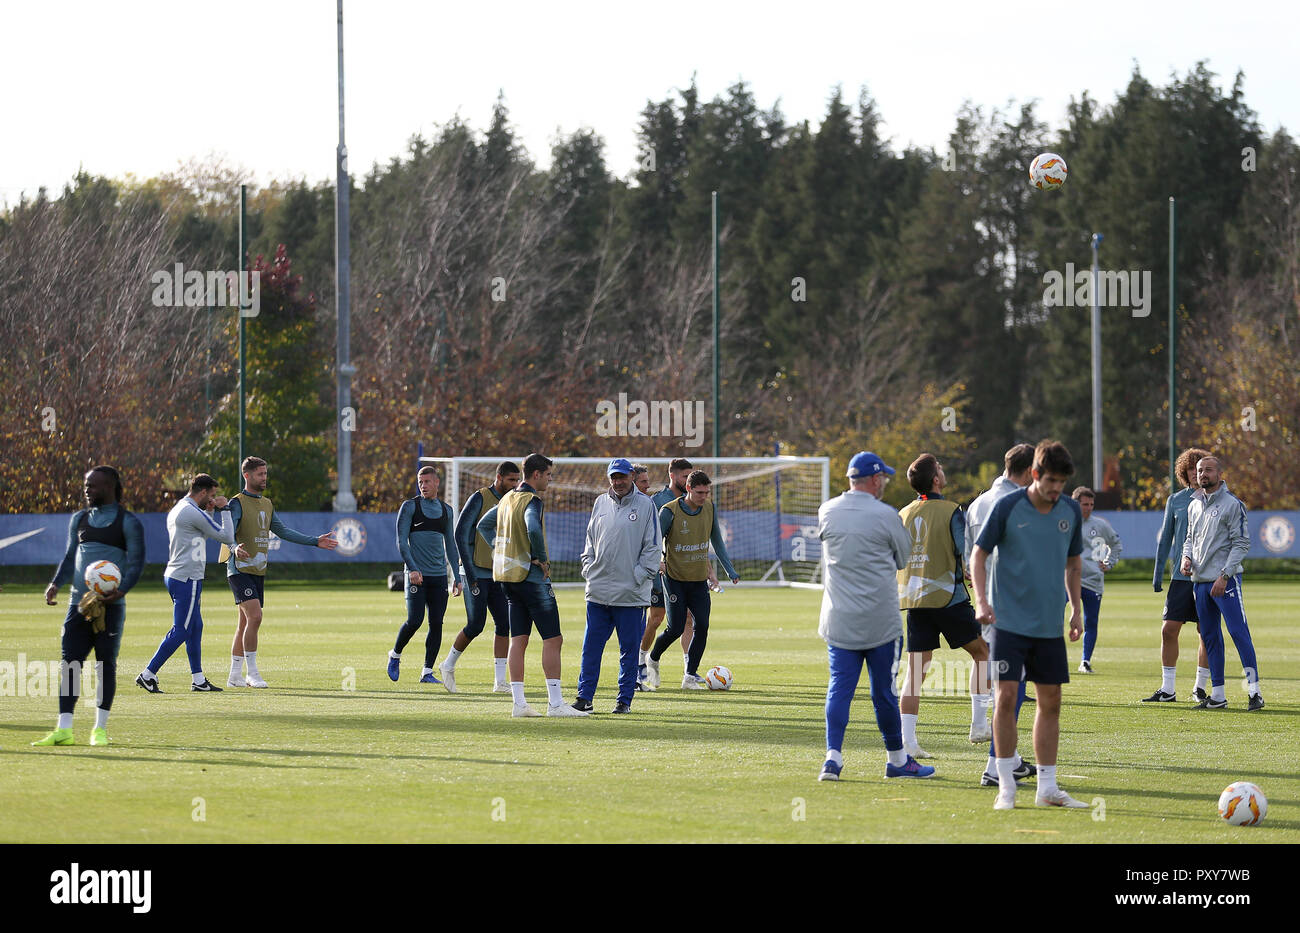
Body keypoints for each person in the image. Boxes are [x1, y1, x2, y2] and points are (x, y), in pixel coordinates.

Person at [972, 439, 1088, 809]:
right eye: (1051, 480)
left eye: (1062, 482)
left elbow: (1073, 564)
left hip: (1049, 626)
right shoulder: (1007, 506)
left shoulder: (1069, 509)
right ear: (1034, 474)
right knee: (1006, 698)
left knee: (1050, 701)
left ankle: (1047, 788)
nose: (1056, 489)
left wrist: (1076, 608)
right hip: (1007, 624)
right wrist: (982, 601)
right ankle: (1006, 784)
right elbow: (979, 555)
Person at [817, 452, 933, 781]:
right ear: (874, 479)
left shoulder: (827, 510)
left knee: (839, 687)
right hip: (880, 619)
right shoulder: (886, 515)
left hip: (839, 617)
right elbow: (902, 558)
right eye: (882, 478)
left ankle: (833, 758)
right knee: (883, 692)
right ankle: (897, 759)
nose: (884, 483)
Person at [33, 466, 145, 747]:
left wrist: (120, 591)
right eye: (86, 485)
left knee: (105, 666)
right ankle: (64, 729)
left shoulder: (128, 522)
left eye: (92, 485)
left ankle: (100, 729)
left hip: (111, 607)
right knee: (70, 664)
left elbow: (136, 563)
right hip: (78, 605)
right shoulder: (80, 519)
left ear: (109, 487)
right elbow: (71, 556)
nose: (87, 489)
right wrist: (55, 583)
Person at [477, 453, 588, 717]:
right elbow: (533, 530)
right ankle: (556, 704)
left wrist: (500, 548)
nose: (550, 479)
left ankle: (519, 704)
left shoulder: (506, 499)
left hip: (507, 578)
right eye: (549, 474)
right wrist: (540, 558)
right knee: (553, 639)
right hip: (531, 577)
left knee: (519, 639)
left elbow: (483, 525)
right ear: (536, 474)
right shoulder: (532, 500)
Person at [896, 454, 992, 759]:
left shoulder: (903, 513)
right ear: (936, 479)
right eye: (940, 469)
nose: (943, 472)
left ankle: (907, 741)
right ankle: (978, 724)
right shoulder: (952, 511)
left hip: (914, 601)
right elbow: (965, 552)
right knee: (983, 653)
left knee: (914, 672)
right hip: (948, 599)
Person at [220, 456, 338, 688]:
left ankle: (234, 676)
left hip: (258, 570)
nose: (264, 478)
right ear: (247, 475)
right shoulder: (237, 503)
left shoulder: (267, 503)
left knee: (244, 623)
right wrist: (234, 549)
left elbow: (283, 531)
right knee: (255, 617)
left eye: (265, 474)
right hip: (238, 569)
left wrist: (315, 541)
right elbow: (227, 533)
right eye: (259, 474)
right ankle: (252, 673)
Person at [965, 443, 1037, 788]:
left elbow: (970, 560)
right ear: (1027, 472)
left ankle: (1010, 758)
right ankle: (996, 765)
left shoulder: (977, 503)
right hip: (1014, 606)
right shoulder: (1019, 503)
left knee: (1004, 685)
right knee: (1013, 688)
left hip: (987, 604)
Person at [137, 474, 249, 694]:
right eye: (212, 494)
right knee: (181, 631)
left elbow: (201, 533)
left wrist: (209, 510)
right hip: (187, 577)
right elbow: (226, 536)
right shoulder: (190, 511)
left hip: (179, 575)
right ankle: (148, 674)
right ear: (204, 492)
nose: (214, 498)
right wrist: (224, 509)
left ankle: (198, 679)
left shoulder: (183, 508)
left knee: (195, 628)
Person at [573, 459, 661, 714]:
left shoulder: (646, 505)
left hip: (631, 594)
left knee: (629, 650)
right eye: (614, 477)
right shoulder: (600, 502)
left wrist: (639, 576)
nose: (618, 482)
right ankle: (584, 698)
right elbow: (589, 541)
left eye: (622, 476)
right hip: (598, 591)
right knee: (590, 648)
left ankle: (624, 701)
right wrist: (589, 569)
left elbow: (653, 547)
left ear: (632, 475)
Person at [1180, 456, 1262, 711]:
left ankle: (1254, 692)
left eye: (1208, 470)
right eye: (1200, 470)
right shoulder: (1193, 505)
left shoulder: (1232, 504)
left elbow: (1242, 543)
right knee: (1210, 636)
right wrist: (1186, 556)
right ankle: (1218, 695)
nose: (1203, 474)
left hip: (1224, 581)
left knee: (1239, 633)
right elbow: (1190, 538)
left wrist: (1225, 575)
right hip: (1200, 582)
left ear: (1220, 473)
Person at [648, 469, 740, 689]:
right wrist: (654, 564)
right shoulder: (668, 511)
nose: (704, 497)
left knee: (703, 626)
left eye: (707, 492)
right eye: (700, 492)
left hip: (698, 580)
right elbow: (653, 542)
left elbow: (717, 541)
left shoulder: (709, 508)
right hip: (674, 578)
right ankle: (652, 658)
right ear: (688, 489)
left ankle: (689, 676)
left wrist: (730, 570)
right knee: (675, 628)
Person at [441, 461, 521, 692]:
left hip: (497, 574)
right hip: (474, 572)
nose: (515, 484)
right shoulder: (480, 497)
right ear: (498, 477)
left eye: (517, 480)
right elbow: (459, 533)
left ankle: (499, 681)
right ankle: (448, 664)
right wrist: (469, 571)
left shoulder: (512, 501)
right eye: (511, 480)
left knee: (504, 623)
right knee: (476, 624)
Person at [1144, 447, 1212, 703]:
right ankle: (1168, 689)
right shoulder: (1176, 500)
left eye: (1201, 468)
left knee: (1205, 632)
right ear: (1184, 473)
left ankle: (1200, 687)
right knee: (1168, 630)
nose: (1196, 473)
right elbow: (1165, 541)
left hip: (1207, 575)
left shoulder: (1216, 499)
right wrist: (1157, 575)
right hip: (1181, 577)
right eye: (1191, 469)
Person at [387, 466, 463, 686]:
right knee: (415, 620)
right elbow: (401, 541)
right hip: (415, 576)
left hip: (439, 576)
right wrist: (412, 568)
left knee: (436, 623)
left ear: (437, 483)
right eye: (420, 482)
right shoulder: (410, 507)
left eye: (427, 482)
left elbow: (450, 543)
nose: (423, 486)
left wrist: (456, 575)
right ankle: (395, 655)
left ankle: (427, 672)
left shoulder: (446, 510)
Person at [639, 458, 707, 688]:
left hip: (688, 573)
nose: (688, 479)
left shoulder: (696, 503)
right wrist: (655, 561)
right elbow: (651, 536)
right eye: (684, 475)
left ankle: (689, 670)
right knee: (657, 619)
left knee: (689, 620)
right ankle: (641, 662)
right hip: (663, 572)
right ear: (673, 476)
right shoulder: (659, 501)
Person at [1071, 486, 1122, 673]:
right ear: (1075, 503)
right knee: (1053, 618)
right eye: (1085, 504)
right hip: (1067, 580)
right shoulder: (1065, 523)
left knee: (1091, 621)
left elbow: (1116, 544)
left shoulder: (1100, 525)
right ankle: (1051, 656)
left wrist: (1109, 563)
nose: (1089, 507)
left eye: (1091, 504)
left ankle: (1085, 661)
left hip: (1093, 580)